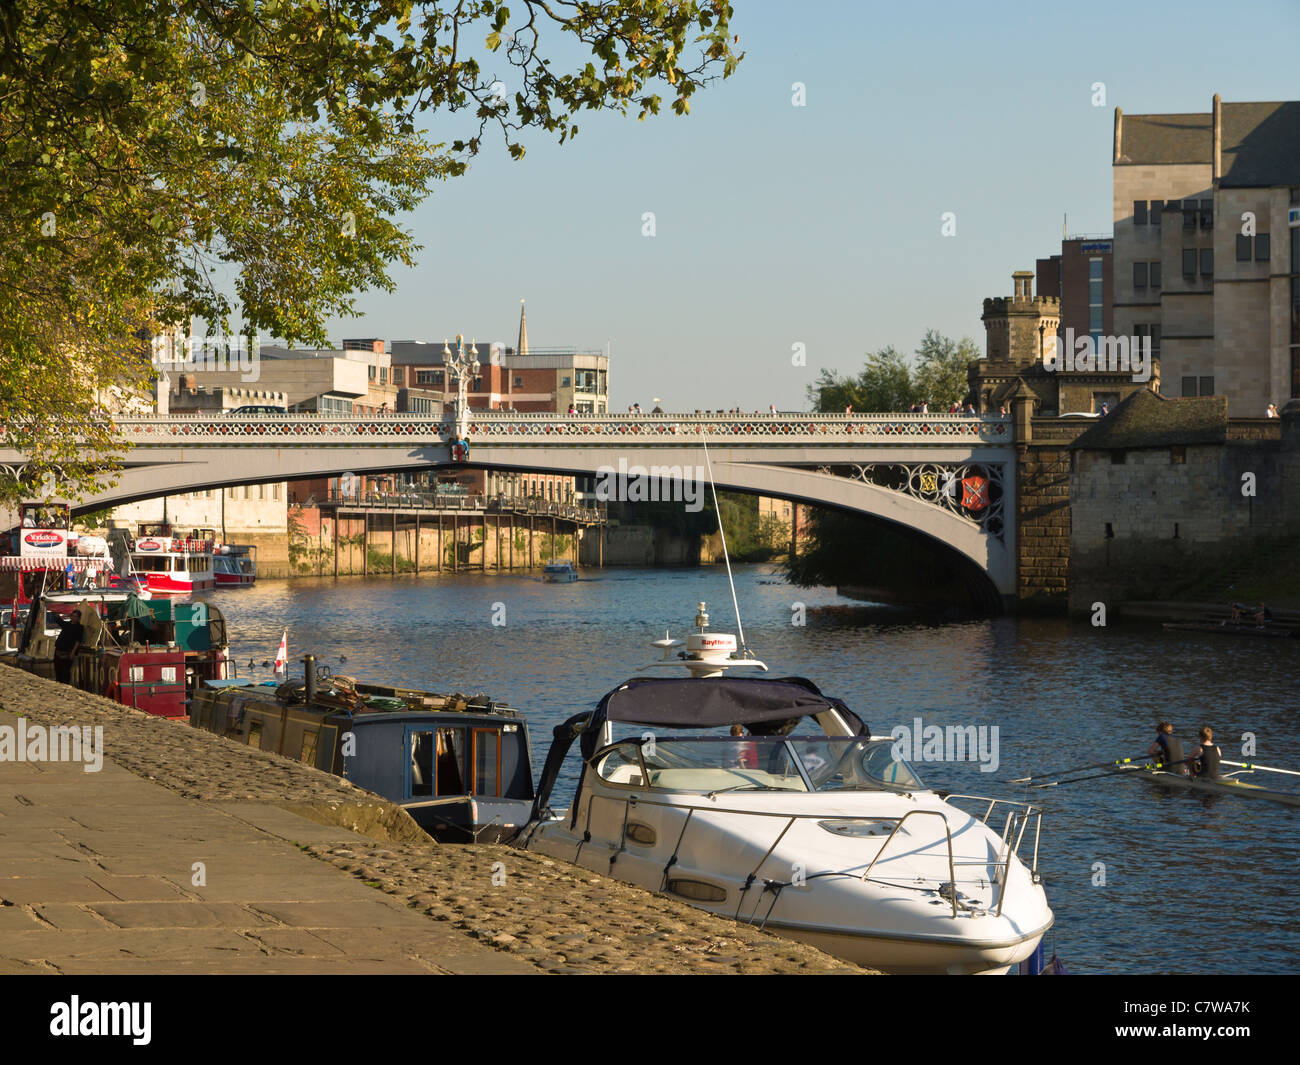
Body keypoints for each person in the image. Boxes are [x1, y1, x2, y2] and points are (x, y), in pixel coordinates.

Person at [53, 612, 84, 685]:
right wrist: (55, 613)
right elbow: (59, 621)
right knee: (58, 669)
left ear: (79, 618)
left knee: (66, 670)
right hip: (59, 649)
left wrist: (73, 652)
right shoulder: (67, 625)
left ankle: (65, 684)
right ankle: (58, 682)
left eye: (75, 616)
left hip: (68, 651)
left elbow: (78, 641)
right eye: (72, 616)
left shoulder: (79, 627)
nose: (73, 617)